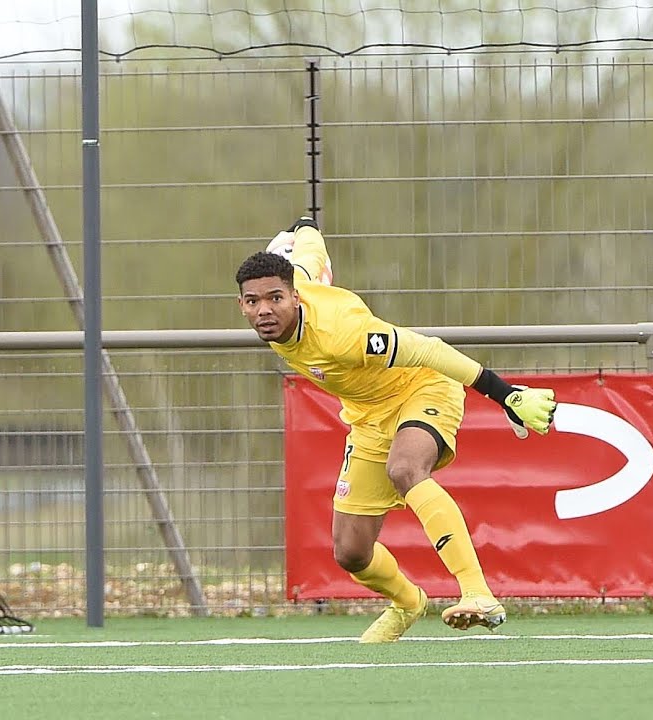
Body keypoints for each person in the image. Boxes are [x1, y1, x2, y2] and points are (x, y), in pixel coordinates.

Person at [235, 216, 557, 644]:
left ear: (295, 296)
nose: (264, 310)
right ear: (241, 304)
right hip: (368, 417)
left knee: (405, 469)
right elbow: (313, 254)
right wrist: (305, 225)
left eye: (275, 298)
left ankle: (478, 595)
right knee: (350, 552)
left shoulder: (343, 333)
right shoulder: (293, 286)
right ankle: (408, 603)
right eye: (252, 302)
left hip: (421, 386)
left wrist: (506, 395)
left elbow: (428, 348)